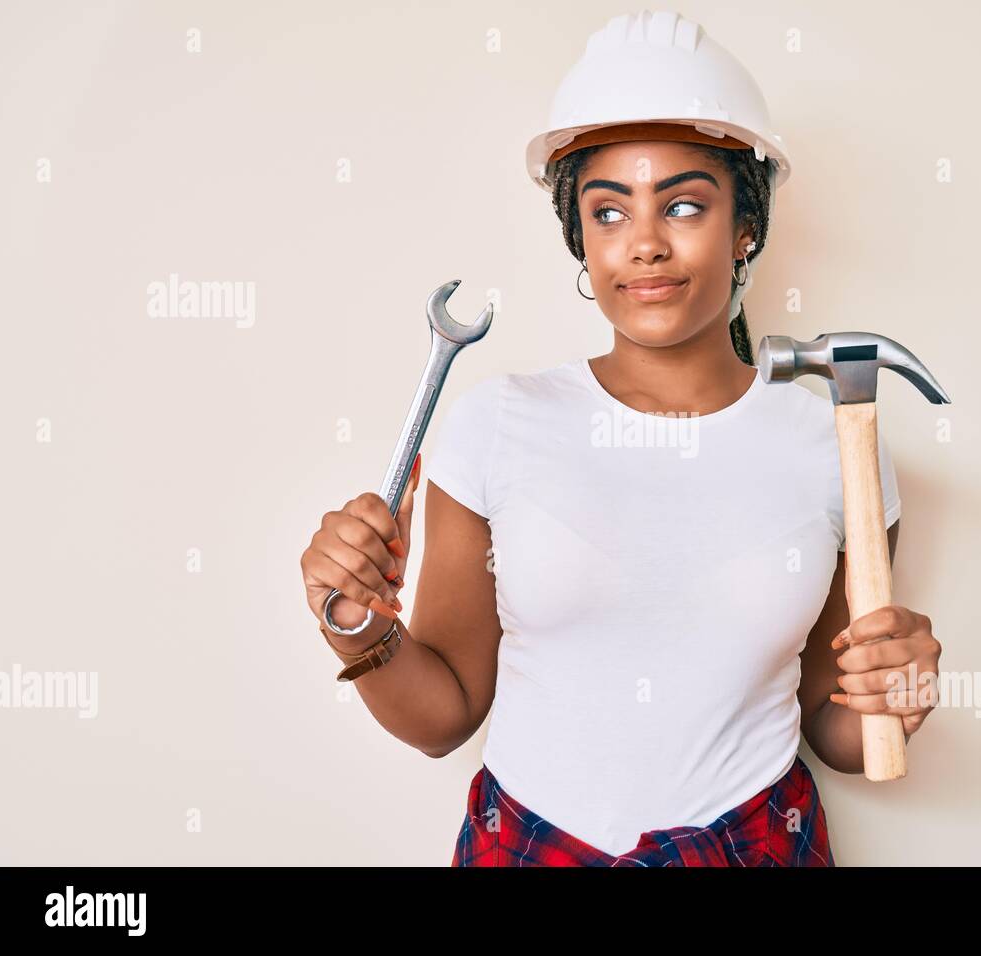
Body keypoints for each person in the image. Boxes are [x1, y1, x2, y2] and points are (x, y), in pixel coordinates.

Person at [299, 10, 942, 866]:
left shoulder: (837, 448)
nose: (644, 244)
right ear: (582, 239)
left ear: (745, 225)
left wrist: (892, 696)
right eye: (608, 213)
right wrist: (356, 629)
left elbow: (838, 728)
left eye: (683, 205)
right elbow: (443, 717)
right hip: (528, 845)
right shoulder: (500, 423)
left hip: (753, 846)